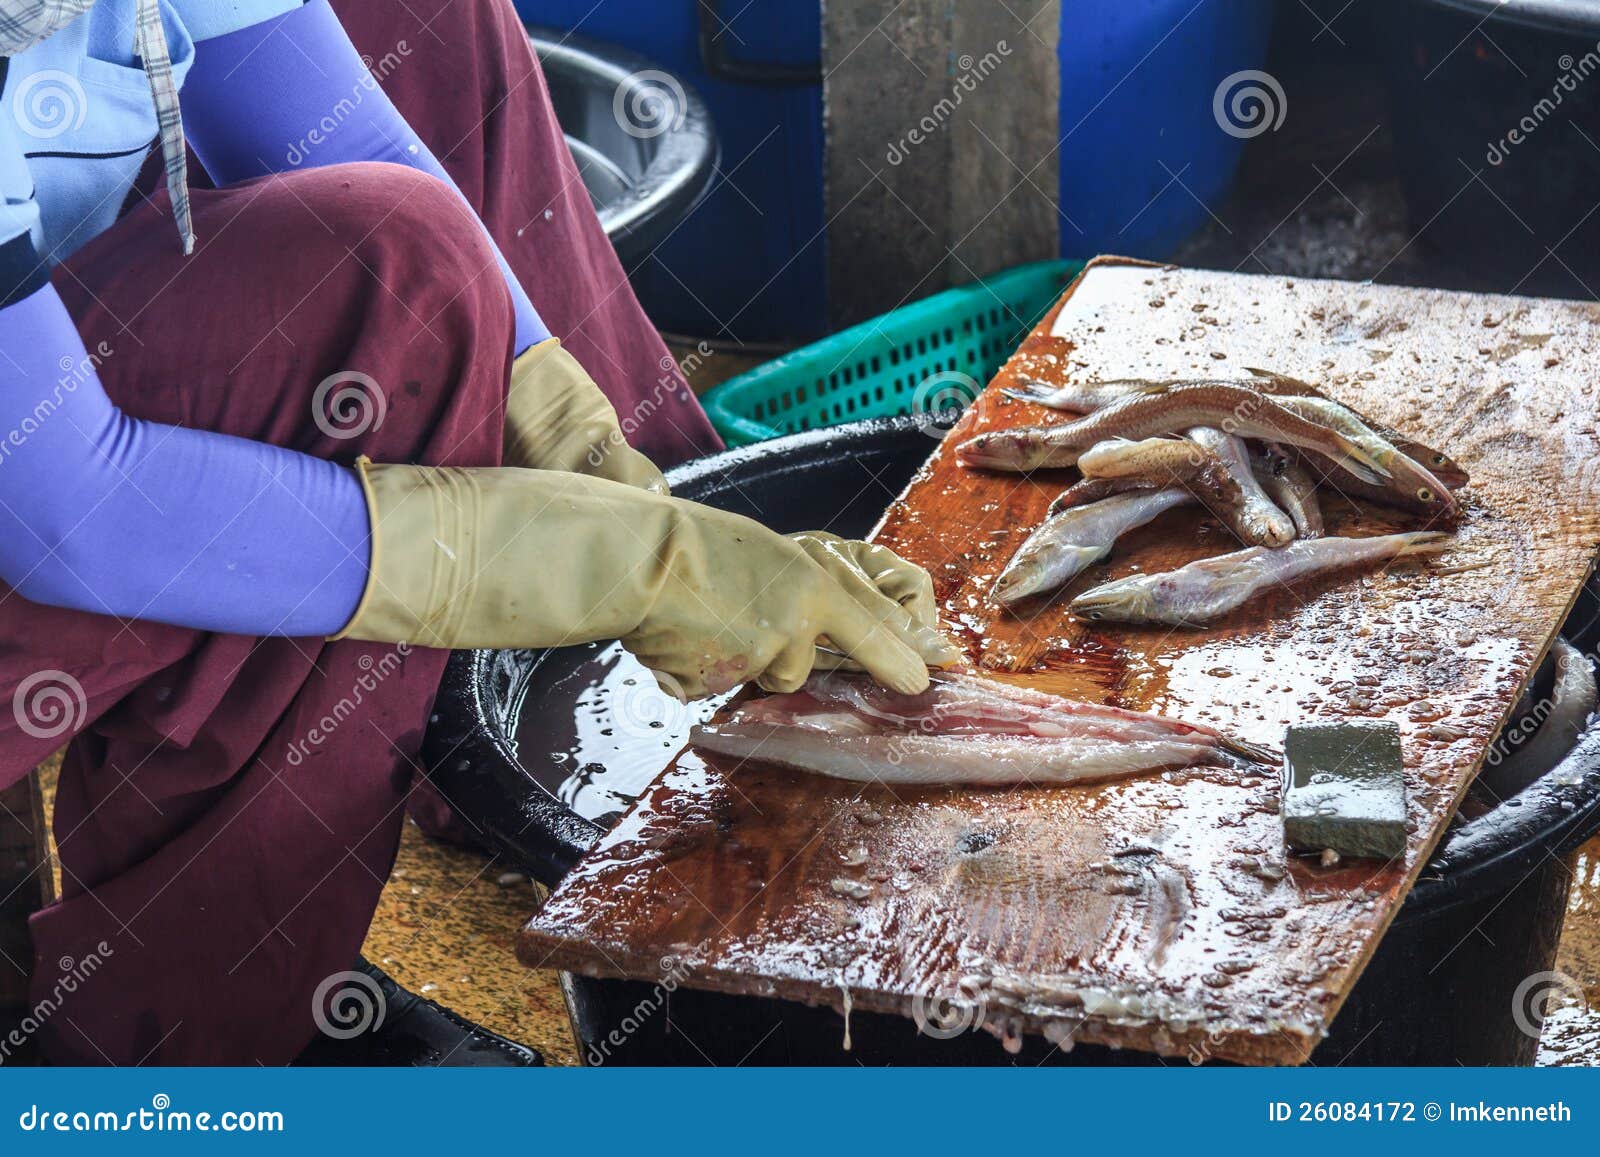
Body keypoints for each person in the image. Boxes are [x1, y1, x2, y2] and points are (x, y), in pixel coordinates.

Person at [0, 0, 954, 1064]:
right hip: (44, 484)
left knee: (404, 163)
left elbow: (325, 128)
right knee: (381, 285)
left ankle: (174, 1029)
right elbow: (76, 511)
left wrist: (624, 487)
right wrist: (626, 563)